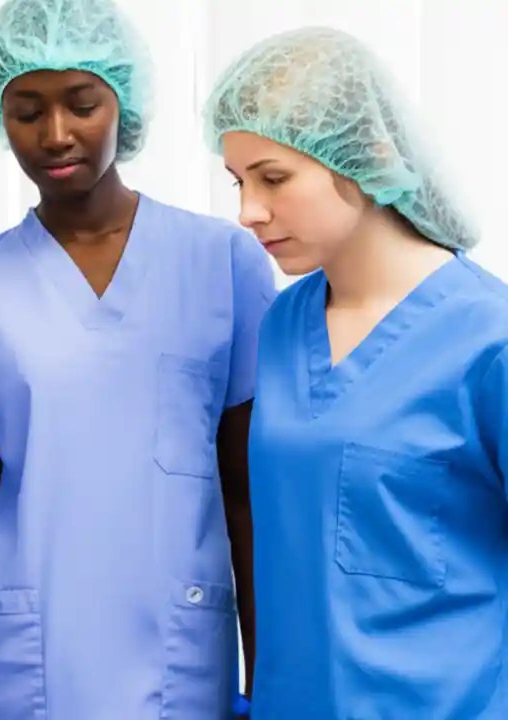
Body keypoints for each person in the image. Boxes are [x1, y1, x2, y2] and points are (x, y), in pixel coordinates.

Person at [0, 0, 275, 716]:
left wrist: (265, 670)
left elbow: (245, 488)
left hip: (180, 646)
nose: (56, 134)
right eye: (26, 110)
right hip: (31, 660)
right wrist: (12, 626)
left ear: (123, 102)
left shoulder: (222, 261)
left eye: (82, 104)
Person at [205, 27, 496, 718]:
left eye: (273, 178)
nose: (248, 211)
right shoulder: (283, 325)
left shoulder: (489, 340)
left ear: (362, 157)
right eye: (239, 182)